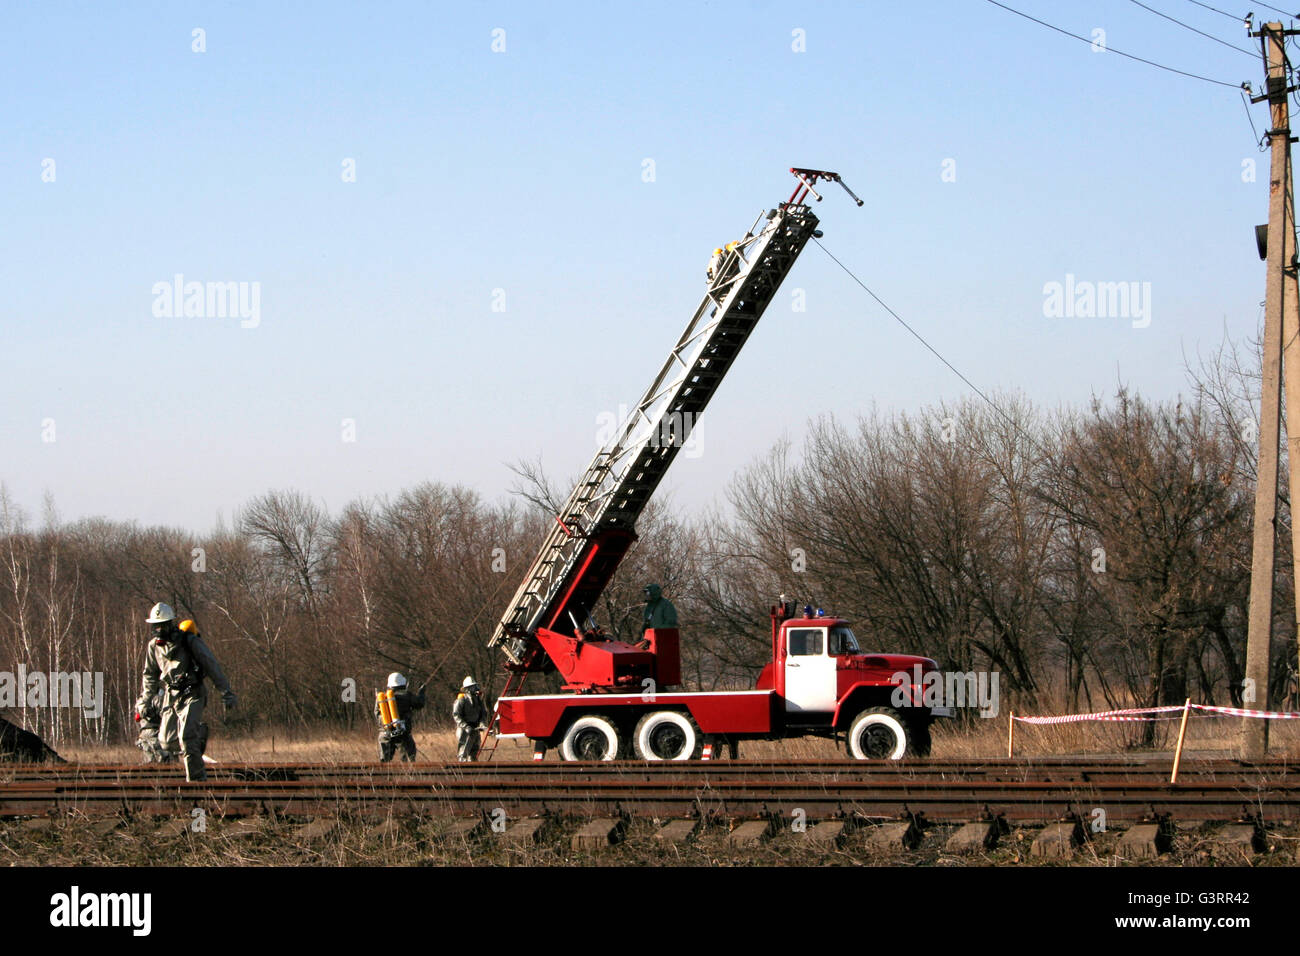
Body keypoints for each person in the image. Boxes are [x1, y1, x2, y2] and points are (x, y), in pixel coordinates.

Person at [138, 602, 236, 782]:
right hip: (170, 695)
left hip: (192, 693)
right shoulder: (153, 647)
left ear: (170, 623)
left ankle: (196, 782)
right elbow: (149, 675)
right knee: (166, 742)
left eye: (162, 624)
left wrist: (226, 692)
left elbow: (211, 664)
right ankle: (199, 735)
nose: (158, 629)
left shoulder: (189, 641)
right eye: (155, 625)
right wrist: (145, 700)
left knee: (186, 737)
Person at [375, 672, 425, 762]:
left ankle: (383, 775)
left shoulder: (382, 697)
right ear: (403, 683)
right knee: (409, 761)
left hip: (385, 732)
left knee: (384, 762)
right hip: (402, 732)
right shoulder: (407, 695)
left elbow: (376, 713)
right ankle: (408, 776)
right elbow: (419, 704)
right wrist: (422, 693)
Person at [133, 689, 177, 764]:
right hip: (155, 733)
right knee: (166, 760)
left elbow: (137, 717)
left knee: (149, 761)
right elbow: (165, 714)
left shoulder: (141, 699)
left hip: (144, 734)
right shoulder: (158, 698)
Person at [452, 677, 489, 762]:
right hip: (464, 730)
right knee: (463, 753)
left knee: (474, 753)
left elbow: (483, 714)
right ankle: (462, 773)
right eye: (472, 687)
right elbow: (456, 715)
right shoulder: (461, 700)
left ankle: (473, 771)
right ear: (467, 689)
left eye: (475, 686)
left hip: (475, 729)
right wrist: (465, 726)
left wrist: (482, 724)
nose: (475, 689)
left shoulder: (478, 700)